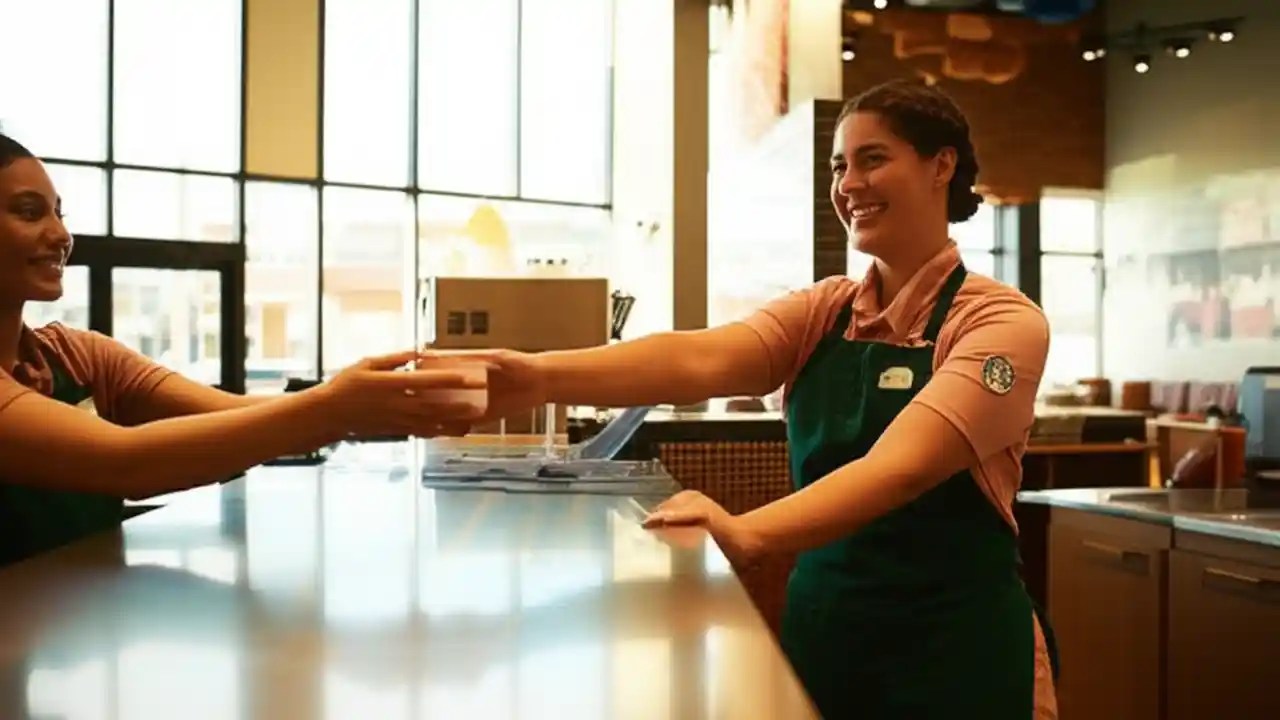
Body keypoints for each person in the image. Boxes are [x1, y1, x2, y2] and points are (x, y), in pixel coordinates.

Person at [454, 79, 1058, 718]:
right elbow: (698, 357)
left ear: (942, 166)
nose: (848, 184)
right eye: (839, 166)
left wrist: (747, 533)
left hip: (955, 655)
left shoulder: (999, 322)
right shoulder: (826, 310)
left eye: (873, 159)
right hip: (825, 638)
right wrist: (535, 376)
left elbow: (900, 469)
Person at [0, 132, 483, 566]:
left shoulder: (76, 357)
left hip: (71, 643)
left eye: (59, 213)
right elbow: (126, 463)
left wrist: (379, 403)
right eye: (28, 212)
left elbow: (236, 417)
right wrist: (336, 407)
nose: (62, 236)